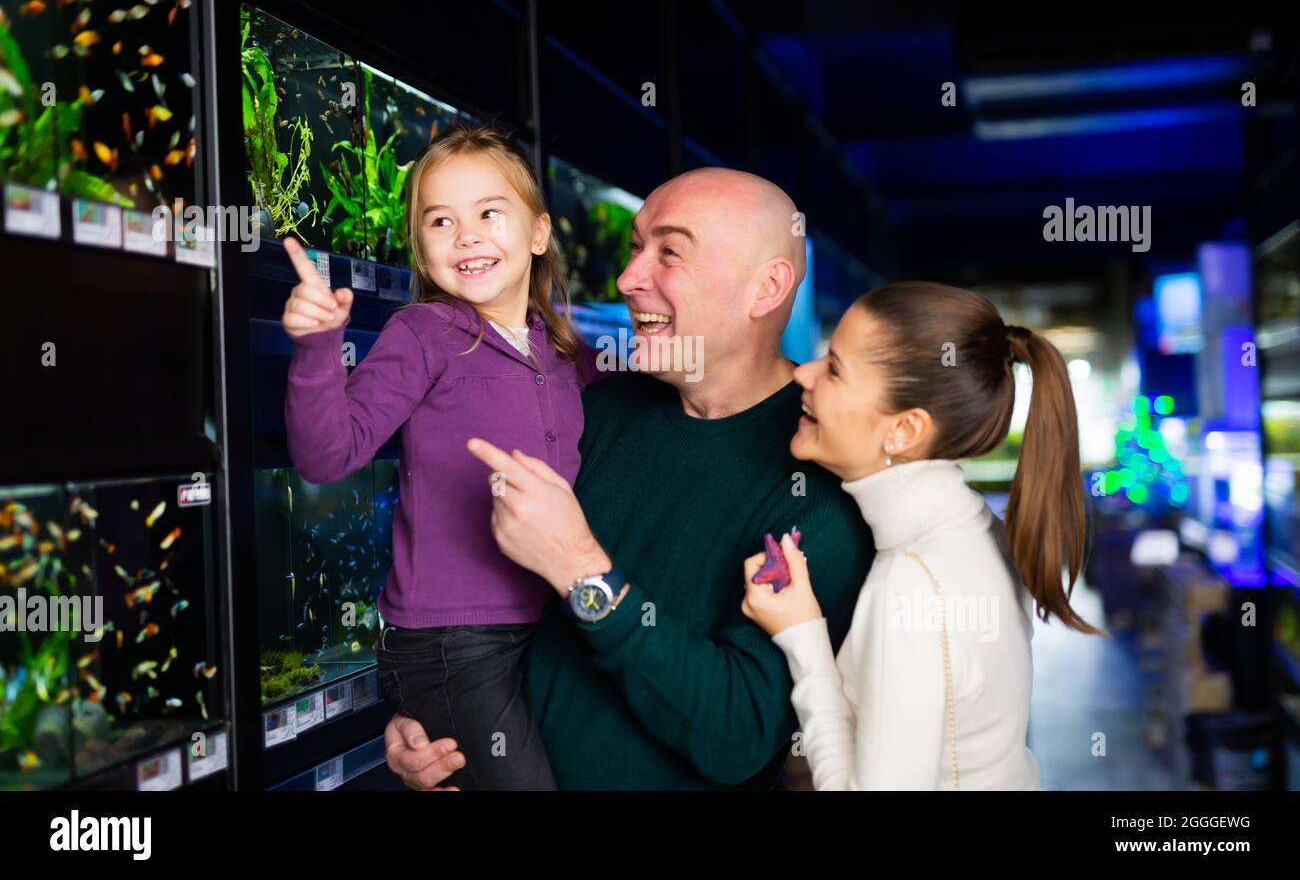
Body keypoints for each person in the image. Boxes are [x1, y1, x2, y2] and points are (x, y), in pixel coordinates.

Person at [385, 167, 875, 789]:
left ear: (766, 288)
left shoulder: (820, 480)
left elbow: (739, 734)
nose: (627, 279)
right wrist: (434, 714)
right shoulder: (595, 408)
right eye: (635, 247)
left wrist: (581, 569)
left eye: (669, 252)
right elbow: (489, 611)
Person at [281, 124, 592, 790]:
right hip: (453, 644)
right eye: (441, 221)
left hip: (550, 626)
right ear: (421, 246)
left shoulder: (568, 356)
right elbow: (328, 455)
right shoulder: (421, 333)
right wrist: (316, 350)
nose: (467, 235)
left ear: (538, 233)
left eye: (488, 213)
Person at [741, 281, 1101, 789]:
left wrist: (802, 636)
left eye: (834, 369)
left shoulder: (912, 584)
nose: (804, 371)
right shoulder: (979, 530)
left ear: (905, 431)